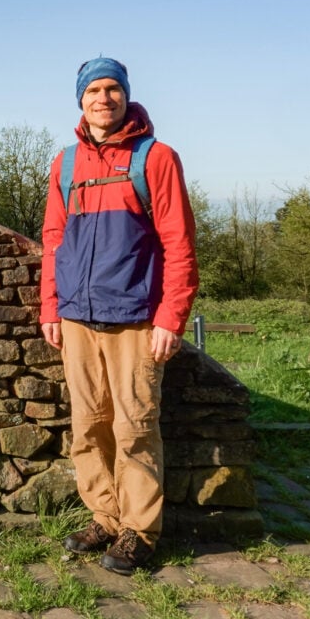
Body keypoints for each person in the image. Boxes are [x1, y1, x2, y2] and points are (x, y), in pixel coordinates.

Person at [39, 57, 198, 575]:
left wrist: (171, 318)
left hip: (135, 318)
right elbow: (53, 241)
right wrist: (51, 307)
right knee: (88, 427)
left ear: (125, 96)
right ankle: (105, 518)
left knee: (135, 429)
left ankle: (139, 532)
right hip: (78, 319)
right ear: (80, 100)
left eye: (112, 89)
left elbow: (179, 242)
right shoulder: (64, 165)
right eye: (93, 91)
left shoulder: (156, 158)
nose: (103, 98)